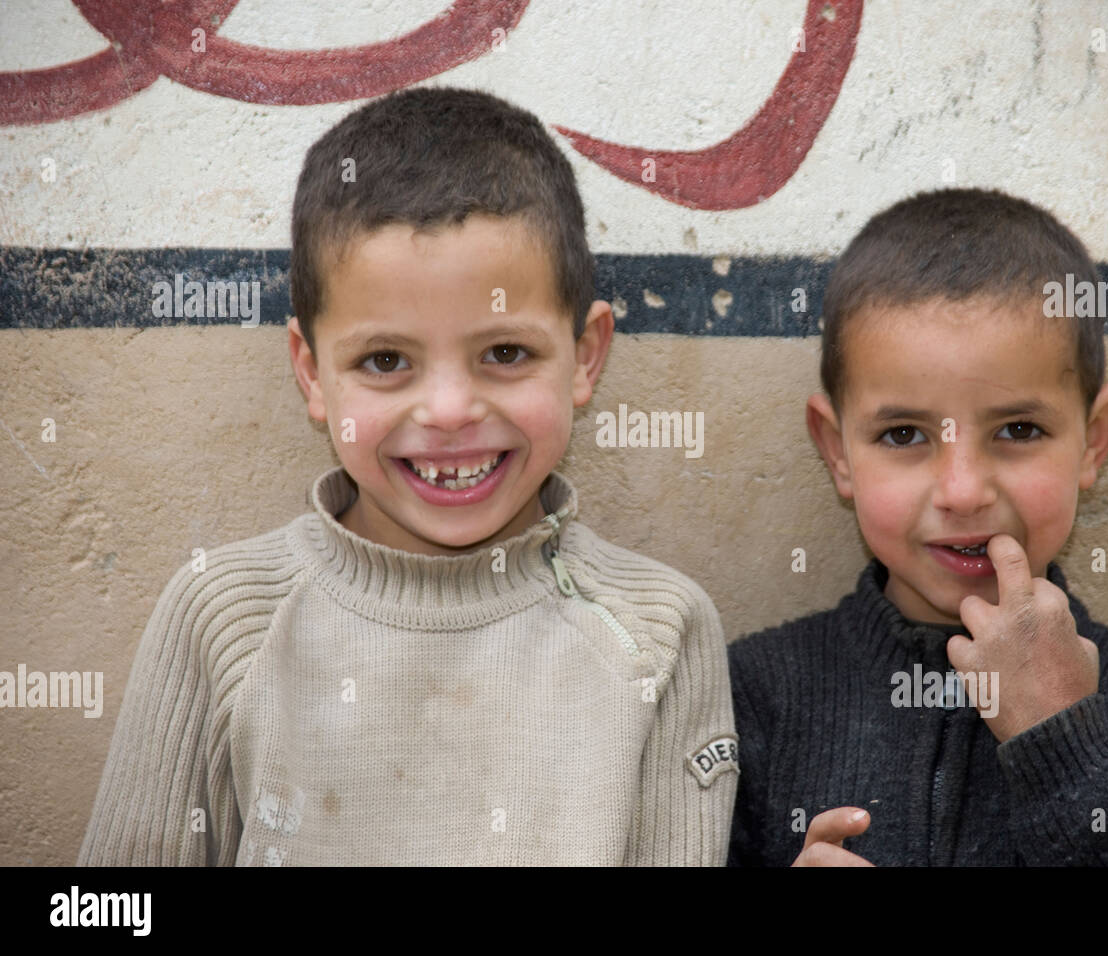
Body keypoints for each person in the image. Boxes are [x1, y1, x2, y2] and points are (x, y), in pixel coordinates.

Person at [79, 87, 736, 866]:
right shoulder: (223, 620)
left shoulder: (659, 632)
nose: (451, 410)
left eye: (505, 354)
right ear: (313, 374)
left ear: (586, 354)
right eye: (386, 361)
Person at [726, 187, 1108, 866]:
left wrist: (1067, 747)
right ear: (836, 450)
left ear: (1093, 440)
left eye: (1018, 430)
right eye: (903, 433)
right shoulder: (754, 695)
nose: (964, 490)